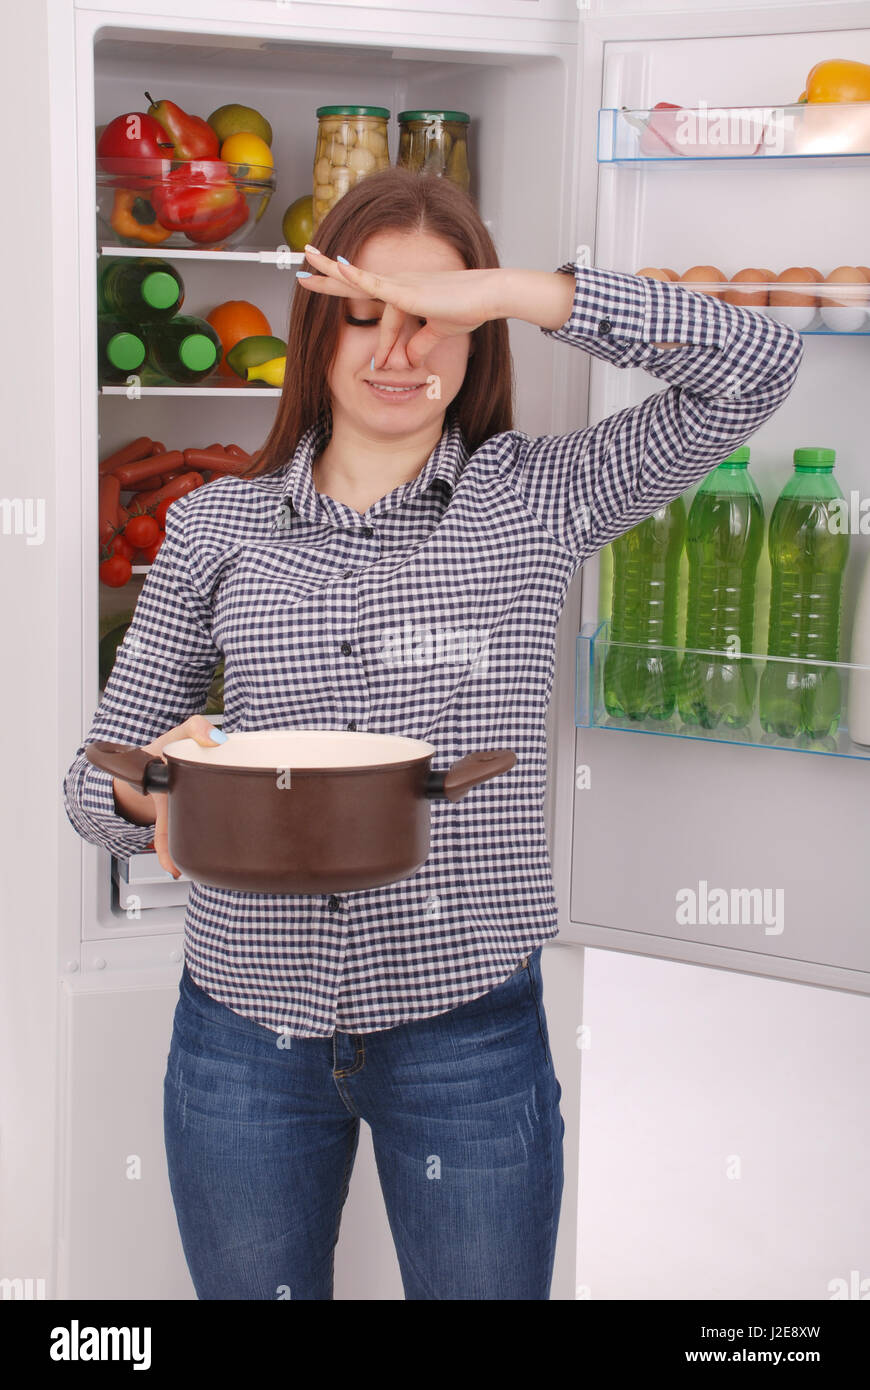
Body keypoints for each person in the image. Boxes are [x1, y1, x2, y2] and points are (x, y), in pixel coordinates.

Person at [63, 166, 803, 1300]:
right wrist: (158, 786)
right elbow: (90, 782)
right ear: (317, 331)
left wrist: (522, 288)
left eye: (437, 320)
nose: (399, 352)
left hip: (466, 1030)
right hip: (244, 1031)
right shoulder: (218, 522)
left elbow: (760, 363)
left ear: (479, 335)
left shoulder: (543, 495)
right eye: (365, 316)